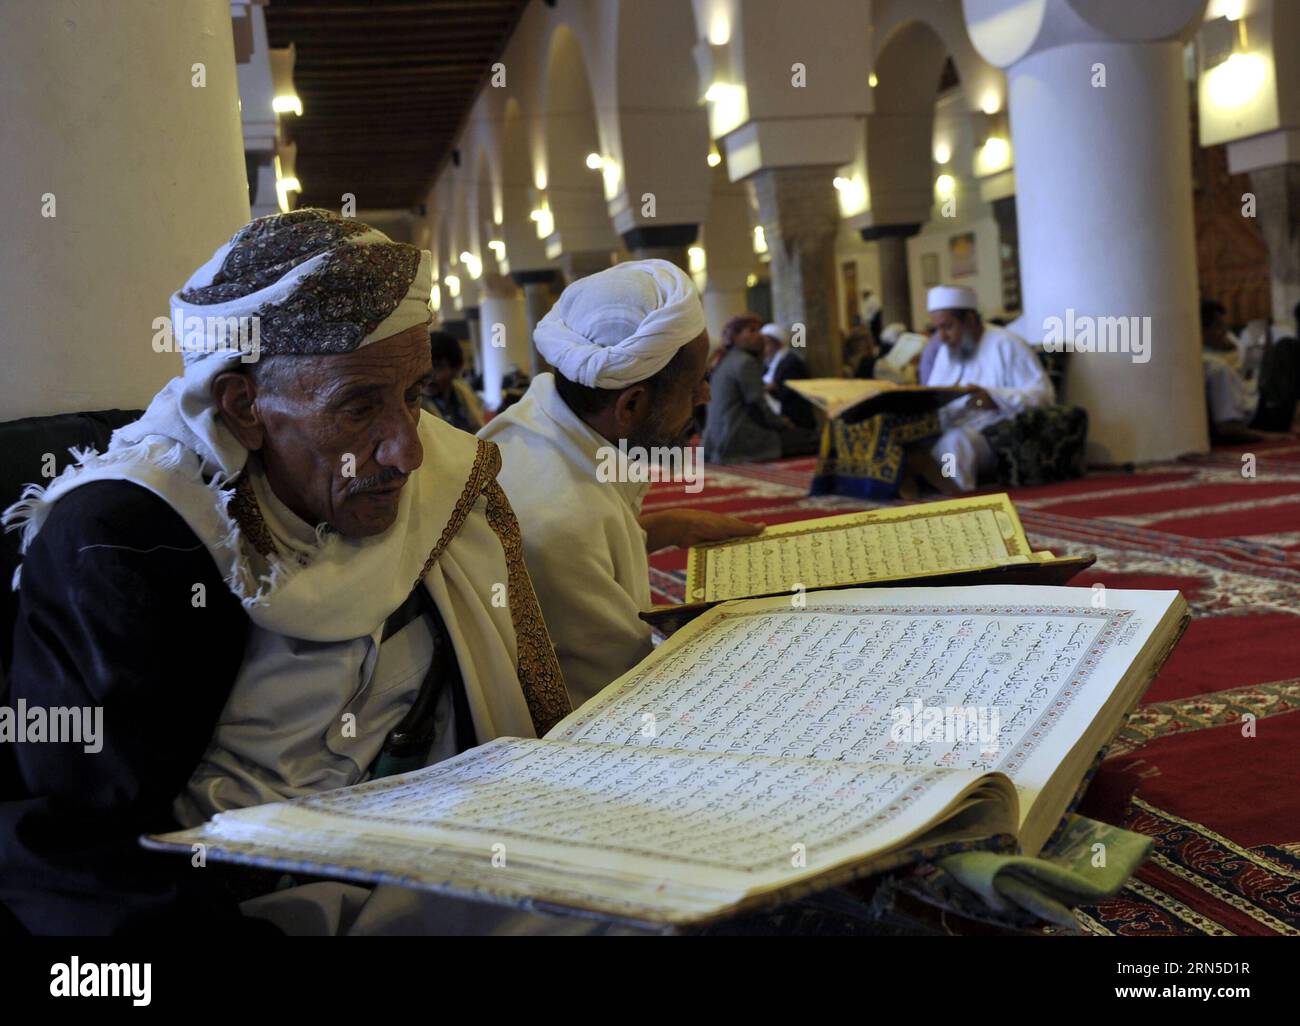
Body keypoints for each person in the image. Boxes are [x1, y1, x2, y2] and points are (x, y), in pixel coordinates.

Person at [0, 209, 571, 935]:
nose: (408, 451)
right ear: (244, 408)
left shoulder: (450, 485)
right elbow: (72, 846)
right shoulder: (130, 540)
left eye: (414, 397)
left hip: (472, 859)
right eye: (358, 408)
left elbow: (533, 712)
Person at [480, 260, 762, 706]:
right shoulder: (565, 517)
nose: (705, 397)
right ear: (630, 406)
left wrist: (657, 530)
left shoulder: (527, 425)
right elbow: (622, 688)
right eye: (694, 386)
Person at [903, 285, 1053, 494]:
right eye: (937, 329)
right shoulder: (947, 352)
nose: (941, 337)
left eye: (948, 327)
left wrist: (992, 397)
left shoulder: (1007, 344)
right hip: (945, 428)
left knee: (953, 446)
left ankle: (958, 499)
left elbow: (1043, 395)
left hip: (988, 434)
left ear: (971, 320)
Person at [703, 314, 817, 462]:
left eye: (759, 330)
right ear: (736, 336)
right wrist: (783, 424)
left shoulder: (726, 359)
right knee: (814, 439)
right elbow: (757, 406)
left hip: (715, 441)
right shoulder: (745, 362)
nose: (760, 336)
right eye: (752, 330)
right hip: (737, 438)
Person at [1201, 299, 1298, 441]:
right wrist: (1268, 437)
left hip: (1251, 380)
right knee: (1288, 348)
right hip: (1262, 415)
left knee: (1258, 330)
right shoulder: (1217, 368)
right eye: (1219, 327)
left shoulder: (1227, 341)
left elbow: (1249, 365)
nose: (1224, 332)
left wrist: (1230, 349)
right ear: (1202, 331)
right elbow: (1228, 427)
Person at [421, 329, 485, 432]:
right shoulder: (412, 406)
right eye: (423, 367)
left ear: (456, 368)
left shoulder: (464, 394)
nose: (428, 376)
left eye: (437, 367)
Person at [761, 323, 816, 429]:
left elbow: (789, 392)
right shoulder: (773, 361)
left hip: (796, 418)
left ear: (778, 344)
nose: (764, 348)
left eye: (767, 344)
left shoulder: (790, 362)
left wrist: (771, 389)